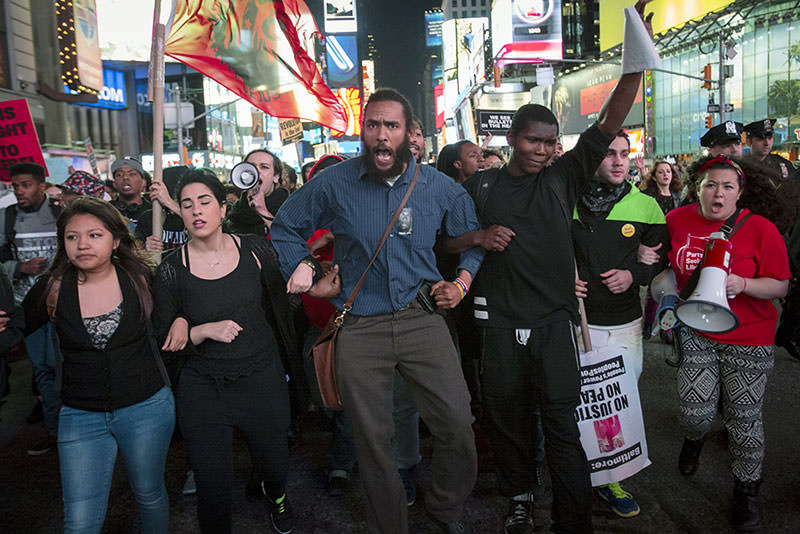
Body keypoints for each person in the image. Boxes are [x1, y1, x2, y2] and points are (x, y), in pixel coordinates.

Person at [460, 3, 654, 531]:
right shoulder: (481, 186)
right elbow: (445, 240)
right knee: (508, 424)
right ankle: (519, 495)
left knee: (564, 427)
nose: (543, 150)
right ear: (510, 140)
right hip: (498, 328)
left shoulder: (564, 177)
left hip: (553, 325)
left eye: (550, 142)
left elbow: (610, 119)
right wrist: (477, 235)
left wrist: (633, 64)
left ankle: (572, 520)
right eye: (532, 141)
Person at [271, 88, 483, 533]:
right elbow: (286, 228)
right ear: (362, 131)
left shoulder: (440, 188)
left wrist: (461, 283)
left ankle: (445, 512)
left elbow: (474, 242)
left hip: (421, 319)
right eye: (373, 125)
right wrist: (307, 270)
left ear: (409, 134)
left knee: (458, 426)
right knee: (373, 442)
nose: (381, 136)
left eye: (392, 126)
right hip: (360, 325)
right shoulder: (335, 182)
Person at [152, 170, 299, 534]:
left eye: (204, 202)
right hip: (204, 386)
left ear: (222, 207)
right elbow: (164, 340)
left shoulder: (254, 249)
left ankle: (276, 495)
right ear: (180, 213)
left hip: (260, 375)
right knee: (212, 485)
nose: (196, 211)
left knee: (275, 465)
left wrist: (310, 268)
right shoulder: (172, 268)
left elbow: (289, 290)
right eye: (187, 204)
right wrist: (198, 329)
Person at [22, 197, 174, 534]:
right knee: (79, 521)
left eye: (94, 235)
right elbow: (18, 331)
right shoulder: (52, 288)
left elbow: (180, 311)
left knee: (149, 495)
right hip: (80, 414)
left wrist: (184, 324)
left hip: (146, 406)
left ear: (116, 240)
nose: (82, 244)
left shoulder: (142, 278)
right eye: (72, 237)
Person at [667, 154, 794, 532]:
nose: (717, 193)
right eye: (710, 185)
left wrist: (746, 285)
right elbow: (662, 266)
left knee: (744, 418)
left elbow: (782, 285)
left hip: (749, 337)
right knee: (694, 411)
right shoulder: (676, 220)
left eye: (726, 186)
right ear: (697, 189)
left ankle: (746, 489)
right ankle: (694, 437)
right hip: (697, 331)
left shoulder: (761, 229)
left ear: (740, 192)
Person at [573, 132, 668, 518]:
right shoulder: (566, 201)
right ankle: (578, 475)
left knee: (615, 404)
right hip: (575, 324)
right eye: (609, 154)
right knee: (578, 406)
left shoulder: (646, 206)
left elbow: (659, 258)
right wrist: (564, 278)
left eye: (624, 154)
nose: (618, 161)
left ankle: (611, 479)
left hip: (625, 324)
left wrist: (633, 273)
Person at [1, 162, 61, 455]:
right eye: (15, 186)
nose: (19, 191)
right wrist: (19, 267)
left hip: (63, 306)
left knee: (66, 369)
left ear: (42, 185)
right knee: (43, 371)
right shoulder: (6, 217)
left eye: (25, 185)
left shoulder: (61, 213)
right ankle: (55, 432)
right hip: (28, 309)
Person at [226, 149, 288, 236]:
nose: (257, 171)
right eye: (251, 166)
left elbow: (290, 242)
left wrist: (263, 211)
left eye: (264, 167)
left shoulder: (289, 207)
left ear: (276, 177)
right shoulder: (235, 212)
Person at [136, 165, 190, 254]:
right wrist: (145, 249)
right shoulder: (149, 218)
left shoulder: (199, 216)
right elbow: (134, 254)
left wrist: (170, 203)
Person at [110, 158, 151, 230]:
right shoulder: (106, 210)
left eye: (132, 174)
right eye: (119, 175)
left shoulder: (153, 211)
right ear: (114, 184)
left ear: (143, 183)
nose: (125, 177)